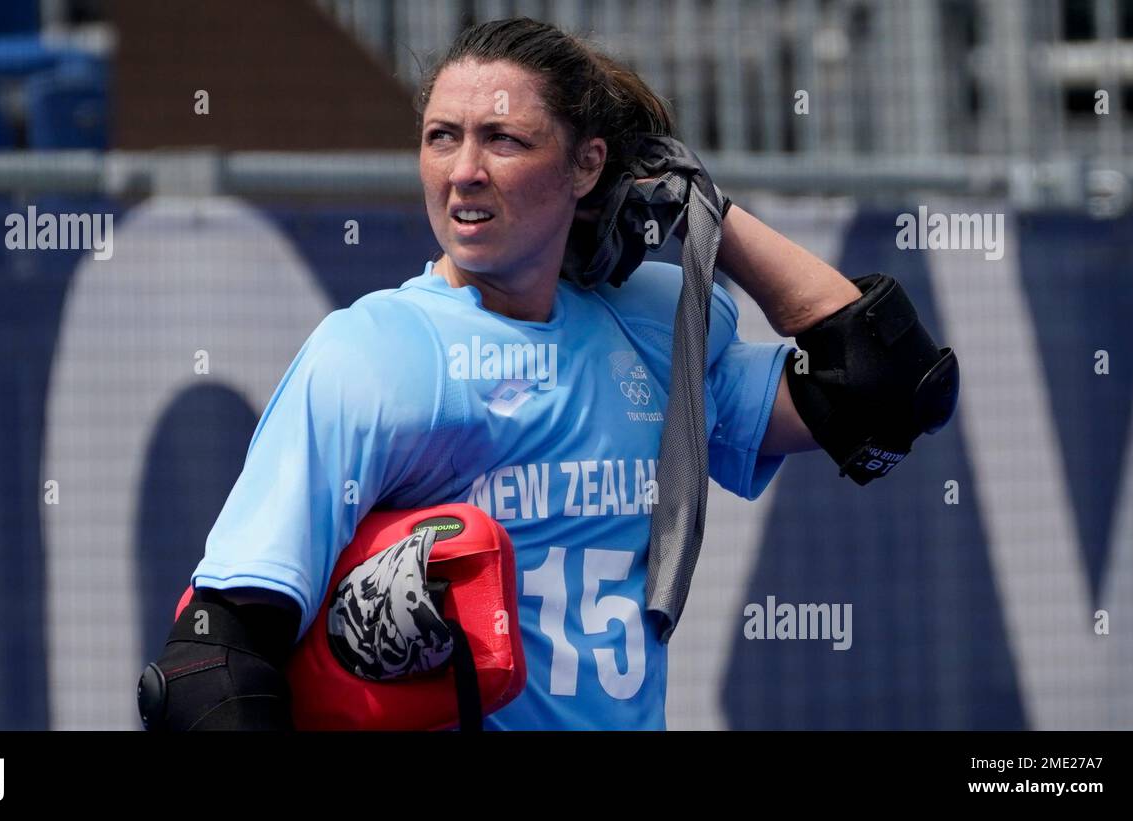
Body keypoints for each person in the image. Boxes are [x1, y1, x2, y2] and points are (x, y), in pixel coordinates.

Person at [138, 17, 952, 730]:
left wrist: (709, 213)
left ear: (588, 165)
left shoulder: (650, 322)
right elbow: (209, 665)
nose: (463, 170)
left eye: (504, 140)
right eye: (440, 136)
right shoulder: (375, 351)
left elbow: (884, 390)